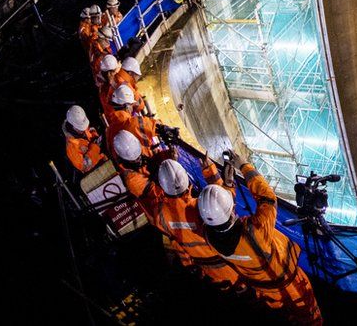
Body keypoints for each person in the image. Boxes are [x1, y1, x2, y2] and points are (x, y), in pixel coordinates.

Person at [198, 153, 322, 325]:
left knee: (282, 315)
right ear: (231, 208)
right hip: (290, 284)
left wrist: (224, 184)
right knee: (310, 318)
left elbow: (222, 216)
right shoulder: (254, 232)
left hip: (264, 291)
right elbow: (268, 198)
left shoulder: (210, 237)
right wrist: (244, 165)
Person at [154, 158, 242, 290]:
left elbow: (176, 241)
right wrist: (212, 173)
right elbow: (223, 205)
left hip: (208, 271)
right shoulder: (198, 208)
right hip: (231, 265)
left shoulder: (160, 213)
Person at [105, 84, 159, 153]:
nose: (132, 108)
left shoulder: (111, 128)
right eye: (131, 105)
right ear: (127, 106)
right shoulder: (129, 122)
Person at [63, 105, 107, 174]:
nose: (83, 130)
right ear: (72, 126)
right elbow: (84, 167)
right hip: (97, 174)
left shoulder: (81, 124)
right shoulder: (71, 147)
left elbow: (90, 130)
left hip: (105, 161)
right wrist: (95, 147)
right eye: (80, 128)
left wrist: (96, 136)